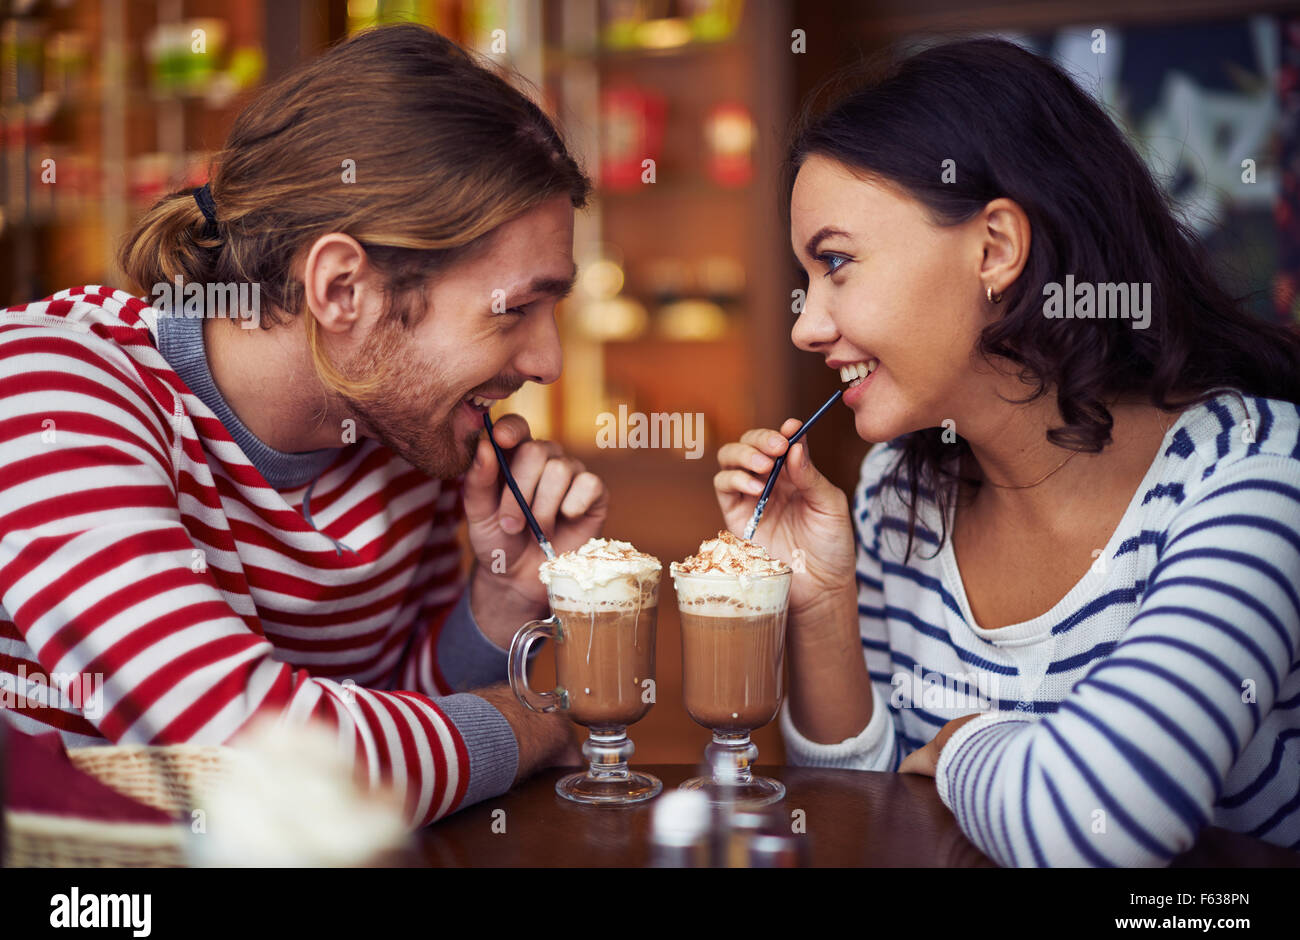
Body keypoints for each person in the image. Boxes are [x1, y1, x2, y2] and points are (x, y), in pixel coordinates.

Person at [715, 37, 1300, 866]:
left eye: (837, 264)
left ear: (994, 248)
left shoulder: (1254, 478)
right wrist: (818, 602)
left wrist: (962, 745)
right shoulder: (896, 491)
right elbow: (862, 819)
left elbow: (1106, 825)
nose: (807, 325)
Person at [0, 24, 596, 828]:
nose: (548, 360)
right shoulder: (50, 394)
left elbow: (384, 732)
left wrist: (499, 595)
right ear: (343, 287)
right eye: (515, 308)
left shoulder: (397, 426)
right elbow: (260, 764)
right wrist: (535, 720)